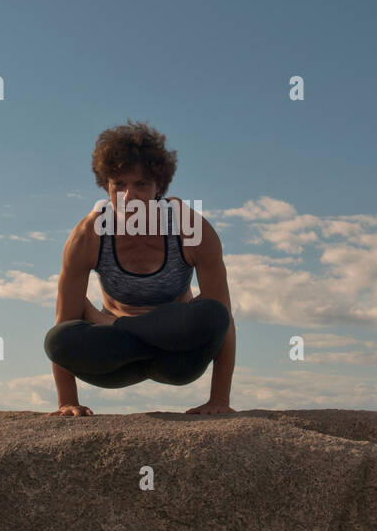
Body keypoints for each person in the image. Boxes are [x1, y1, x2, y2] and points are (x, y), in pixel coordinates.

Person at [44, 120, 236, 416]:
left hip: (176, 356)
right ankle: (118, 327)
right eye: (118, 185)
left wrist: (219, 400)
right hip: (115, 358)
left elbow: (224, 320)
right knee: (57, 340)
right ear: (105, 187)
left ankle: (117, 324)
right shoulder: (89, 235)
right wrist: (67, 401)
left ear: (159, 187)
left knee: (213, 313)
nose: (129, 196)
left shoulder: (189, 228)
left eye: (141, 184)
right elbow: (64, 322)